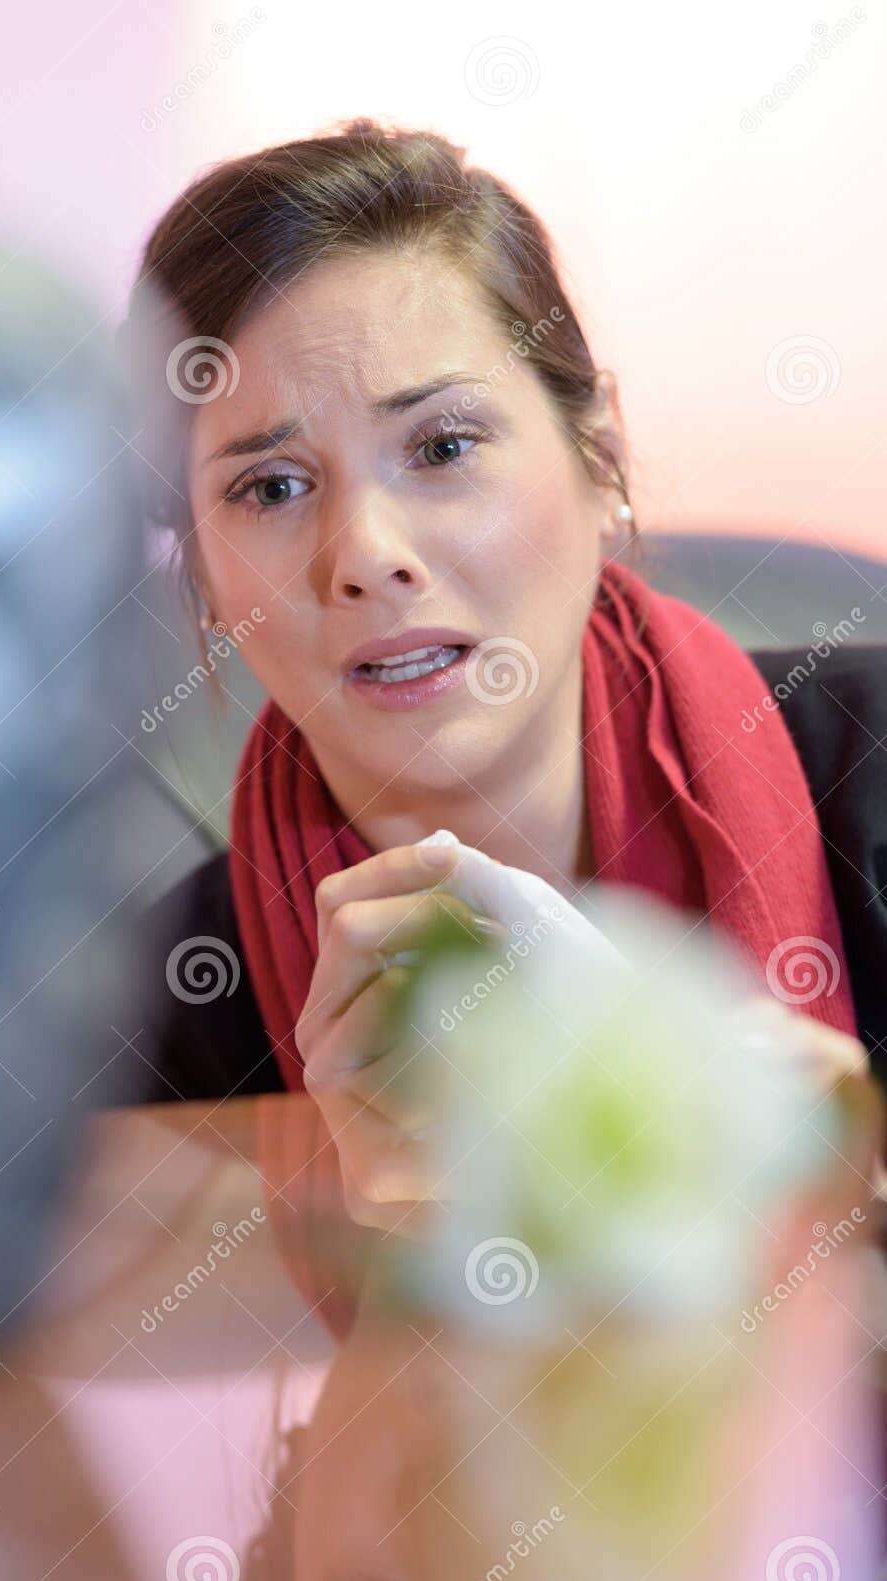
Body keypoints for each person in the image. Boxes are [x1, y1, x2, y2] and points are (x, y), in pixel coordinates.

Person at [121, 119, 887, 1341]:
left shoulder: (873, 766)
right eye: (269, 486)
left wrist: (846, 1177)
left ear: (601, 455)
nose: (367, 555)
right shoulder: (158, 1021)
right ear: (204, 575)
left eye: (442, 445)